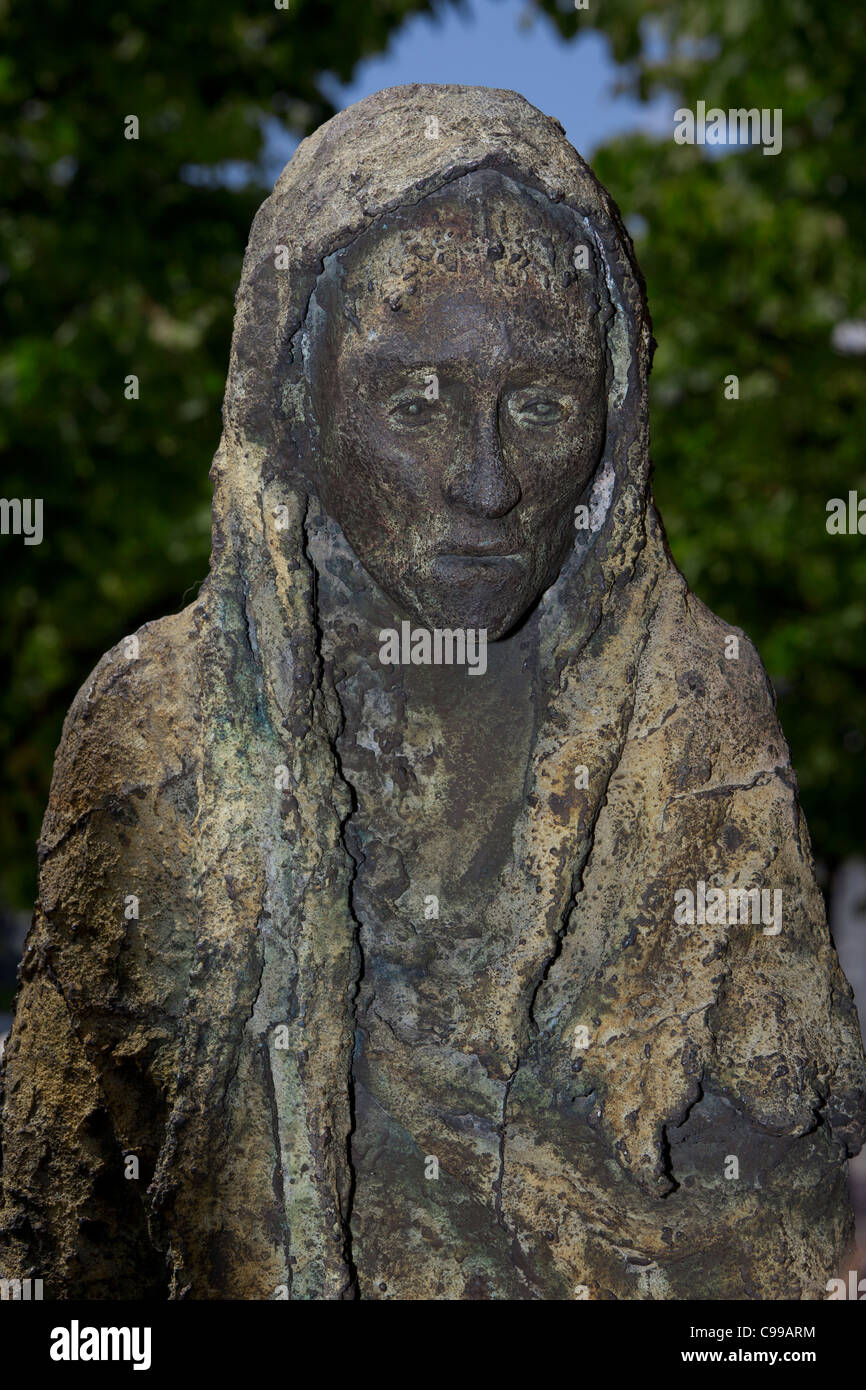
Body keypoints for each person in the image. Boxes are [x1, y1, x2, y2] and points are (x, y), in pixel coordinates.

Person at [1, 84, 863, 1300]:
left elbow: (769, 1223)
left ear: (611, 420)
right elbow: (61, 1237)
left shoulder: (693, 719)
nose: (487, 484)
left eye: (543, 406)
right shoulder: (163, 724)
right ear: (295, 404)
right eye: (414, 403)